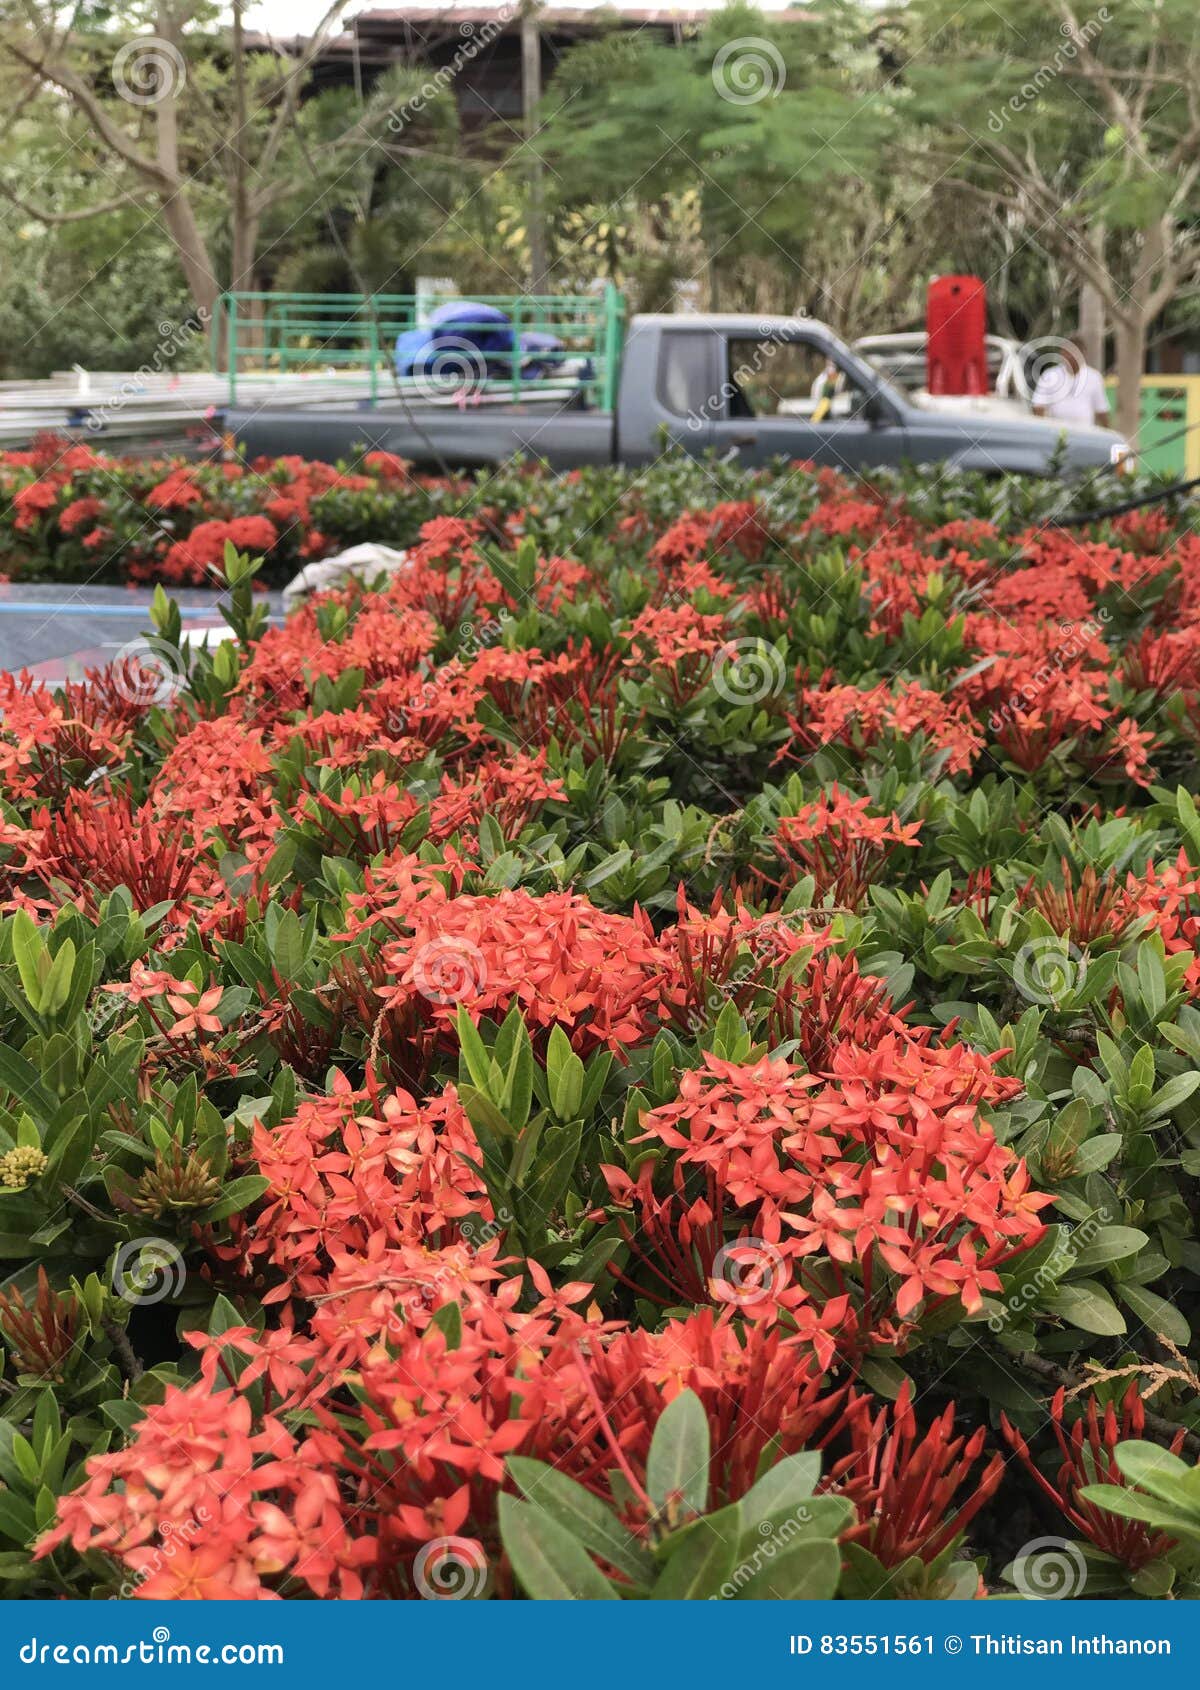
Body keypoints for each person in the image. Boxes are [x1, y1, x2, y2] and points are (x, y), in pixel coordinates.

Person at [1030, 339, 1111, 427]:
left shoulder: (1094, 377)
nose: (1071, 357)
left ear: (1083, 354)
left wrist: (1109, 433)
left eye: (1075, 353)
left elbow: (1101, 410)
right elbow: (1038, 405)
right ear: (1062, 354)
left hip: (1085, 433)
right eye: (1068, 353)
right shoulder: (1050, 375)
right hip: (1056, 431)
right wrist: (1043, 429)